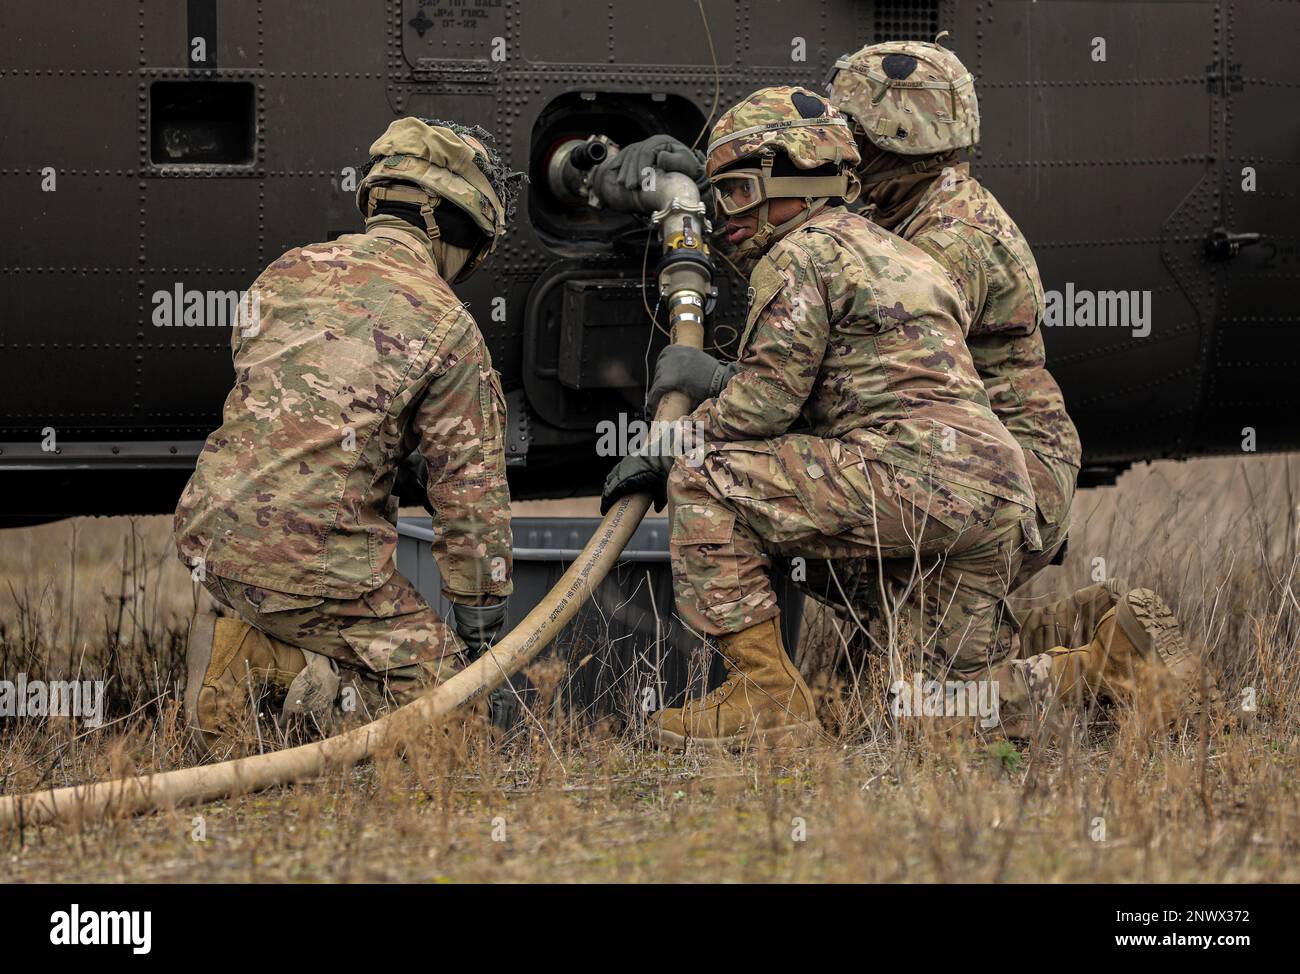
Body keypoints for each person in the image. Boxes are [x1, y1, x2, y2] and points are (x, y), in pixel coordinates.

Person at [174, 117, 523, 752]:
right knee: (458, 726)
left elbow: (284, 414)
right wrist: (481, 630)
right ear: (455, 227)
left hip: (209, 542)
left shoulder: (284, 273)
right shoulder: (448, 325)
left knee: (310, 606)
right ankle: (267, 664)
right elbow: (471, 503)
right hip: (311, 567)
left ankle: (259, 644)